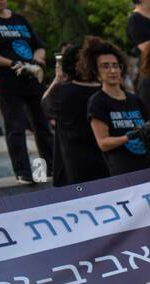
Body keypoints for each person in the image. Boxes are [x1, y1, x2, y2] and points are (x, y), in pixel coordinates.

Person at [0, 0, 51, 186]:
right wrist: (12, 64)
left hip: (32, 78)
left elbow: (39, 46)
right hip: (6, 80)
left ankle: (53, 167)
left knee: (42, 125)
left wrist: (37, 61)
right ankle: (23, 172)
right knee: (15, 127)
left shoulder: (20, 19)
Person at [86, 40, 150, 175]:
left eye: (115, 65)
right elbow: (103, 143)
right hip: (124, 171)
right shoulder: (97, 102)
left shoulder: (134, 99)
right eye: (105, 66)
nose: (112, 70)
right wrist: (129, 137)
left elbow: (149, 126)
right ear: (96, 72)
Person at [42, 40, 107, 186]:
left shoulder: (62, 92)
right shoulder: (107, 90)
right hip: (107, 164)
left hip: (74, 170)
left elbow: (44, 104)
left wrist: (57, 78)